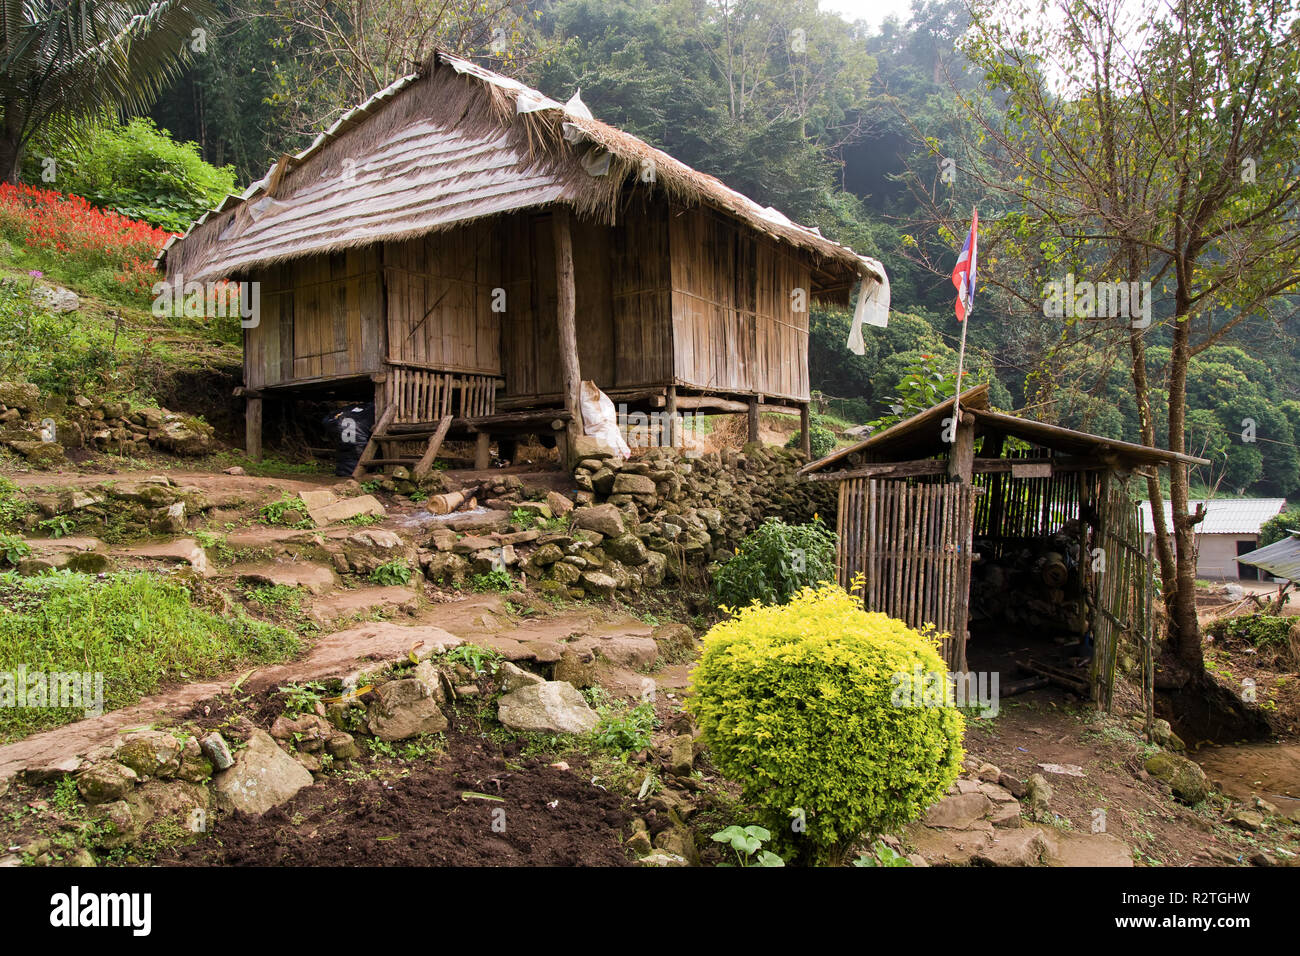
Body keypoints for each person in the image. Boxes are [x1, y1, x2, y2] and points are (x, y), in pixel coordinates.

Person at [322, 402, 375, 476]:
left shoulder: (342, 415)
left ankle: (347, 470)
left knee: (348, 450)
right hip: (357, 451)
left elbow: (327, 422)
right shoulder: (367, 412)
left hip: (345, 460)